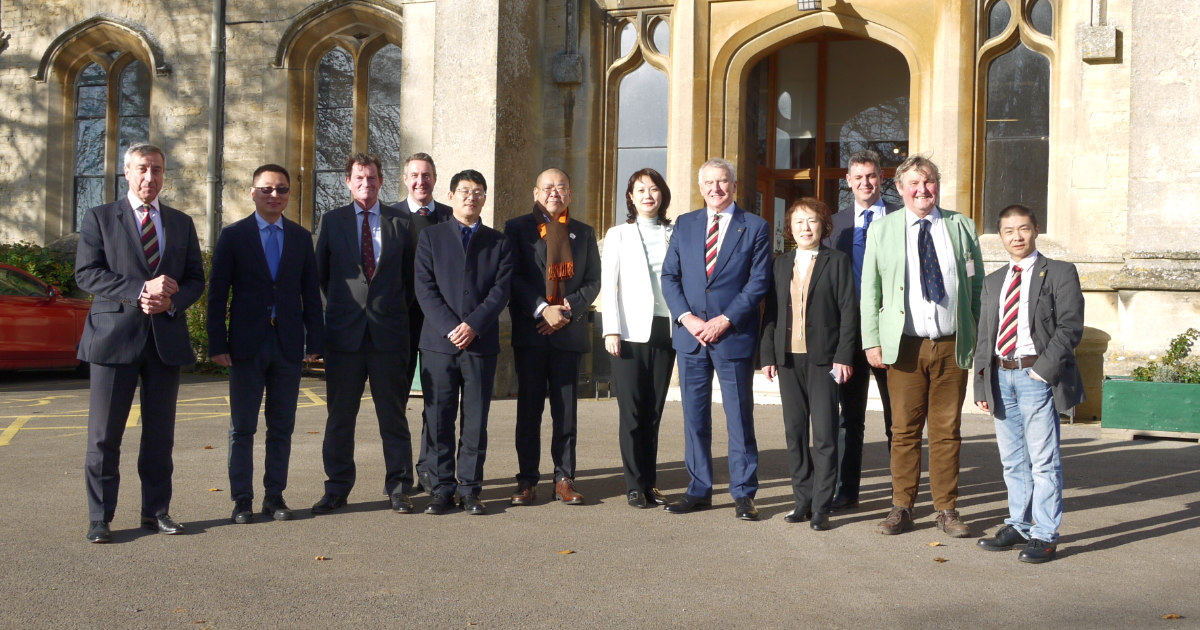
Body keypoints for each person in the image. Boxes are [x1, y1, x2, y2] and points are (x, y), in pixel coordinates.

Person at [76, 143, 205, 543]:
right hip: (114, 339)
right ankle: (101, 516)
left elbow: (196, 279)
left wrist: (171, 299)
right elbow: (87, 274)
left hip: (164, 340)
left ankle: (156, 511)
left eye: (158, 170)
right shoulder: (100, 217)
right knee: (104, 434)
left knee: (159, 436)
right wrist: (139, 289)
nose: (151, 178)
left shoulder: (181, 222)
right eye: (143, 169)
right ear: (127, 173)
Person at [860, 155, 984, 538]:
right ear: (899, 189)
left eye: (928, 181)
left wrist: (979, 339)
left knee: (947, 430)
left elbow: (976, 287)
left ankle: (947, 509)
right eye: (913, 183)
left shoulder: (960, 227)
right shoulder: (883, 230)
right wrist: (872, 341)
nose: (922, 190)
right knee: (904, 431)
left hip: (951, 345)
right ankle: (902, 507)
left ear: (938, 184)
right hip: (906, 347)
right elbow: (871, 291)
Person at [207, 164, 324, 524]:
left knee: (282, 426)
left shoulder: (301, 238)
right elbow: (218, 294)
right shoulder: (234, 235)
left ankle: (275, 497)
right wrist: (217, 343)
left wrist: (314, 339)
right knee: (242, 428)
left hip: (287, 344)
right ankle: (242, 499)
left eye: (282, 190)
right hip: (245, 345)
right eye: (267, 189)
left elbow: (310, 294)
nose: (275, 196)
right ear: (252, 192)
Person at [661, 158, 772, 520]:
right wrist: (688, 318)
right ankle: (699, 489)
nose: (715, 188)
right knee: (695, 417)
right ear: (700, 186)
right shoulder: (685, 224)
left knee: (739, 417)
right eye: (709, 182)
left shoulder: (754, 227)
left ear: (734, 186)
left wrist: (724, 320)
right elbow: (669, 276)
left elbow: (758, 283)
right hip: (691, 337)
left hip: (732, 335)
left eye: (722, 182)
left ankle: (744, 493)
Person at [974, 204, 1084, 563]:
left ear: (1035, 230)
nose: (1016, 236)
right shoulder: (993, 281)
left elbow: (1070, 326)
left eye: (1023, 229)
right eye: (1008, 231)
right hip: (1001, 376)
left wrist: (1041, 372)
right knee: (1012, 460)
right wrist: (981, 386)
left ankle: (1045, 534)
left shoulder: (1060, 272)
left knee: (1043, 460)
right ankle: (1019, 524)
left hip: (1037, 376)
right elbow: (984, 337)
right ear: (1001, 236)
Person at [312, 153, 416, 515]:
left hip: (389, 337)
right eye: (359, 179)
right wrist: (337, 312)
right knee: (340, 418)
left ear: (381, 182)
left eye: (372, 179)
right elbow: (319, 278)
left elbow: (410, 278)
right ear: (347, 182)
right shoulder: (332, 221)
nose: (366, 185)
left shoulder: (401, 222)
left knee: (393, 417)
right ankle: (337, 488)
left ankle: (400, 487)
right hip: (344, 337)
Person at [414, 169, 513, 515]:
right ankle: (441, 488)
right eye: (465, 191)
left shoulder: (498, 242)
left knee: (475, 420)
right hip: (439, 345)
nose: (471, 197)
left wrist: (472, 325)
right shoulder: (431, 237)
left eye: (478, 192)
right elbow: (424, 288)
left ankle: (470, 488)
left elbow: (500, 292)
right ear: (452, 196)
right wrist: (451, 327)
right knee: (439, 418)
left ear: (485, 198)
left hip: (480, 343)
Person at [504, 168, 601, 506]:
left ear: (570, 194)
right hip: (532, 333)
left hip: (567, 334)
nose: (554, 193)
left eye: (561, 187)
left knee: (565, 412)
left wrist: (564, 311)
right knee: (529, 411)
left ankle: (564, 478)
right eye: (547, 187)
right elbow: (513, 277)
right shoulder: (517, 229)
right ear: (535, 193)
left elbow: (592, 283)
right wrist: (542, 308)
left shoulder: (584, 233)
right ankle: (527, 480)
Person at [760, 198, 858, 531]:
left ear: (823, 226)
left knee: (826, 434)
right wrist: (768, 355)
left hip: (824, 361)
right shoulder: (780, 264)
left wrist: (845, 355)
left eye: (812, 221)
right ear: (790, 228)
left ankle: (821, 505)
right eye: (799, 221)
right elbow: (771, 313)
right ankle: (801, 500)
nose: (805, 227)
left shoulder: (837, 261)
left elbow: (848, 311)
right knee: (795, 432)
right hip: (788, 360)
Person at [823, 149, 899, 511]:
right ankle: (847, 490)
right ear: (848, 181)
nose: (865, 183)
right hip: (849, 337)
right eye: (858, 177)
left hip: (892, 334)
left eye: (872, 176)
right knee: (849, 419)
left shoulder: (902, 219)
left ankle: (902, 493)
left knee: (896, 420)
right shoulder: (833, 226)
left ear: (881, 179)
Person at [601, 168, 675, 509]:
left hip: (667, 330)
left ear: (663, 195)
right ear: (630, 197)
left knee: (653, 412)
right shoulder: (618, 234)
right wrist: (610, 329)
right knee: (631, 411)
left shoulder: (675, 233)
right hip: (628, 333)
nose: (648, 195)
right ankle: (633, 485)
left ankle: (650, 482)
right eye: (640, 189)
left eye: (654, 189)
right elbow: (608, 285)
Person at [393, 153, 452, 495]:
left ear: (435, 178)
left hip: (437, 324)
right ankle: (400, 474)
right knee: (397, 400)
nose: (420, 181)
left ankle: (429, 470)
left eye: (426, 175)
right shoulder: (388, 216)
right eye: (414, 175)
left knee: (436, 402)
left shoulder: (449, 216)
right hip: (399, 323)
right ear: (405, 178)